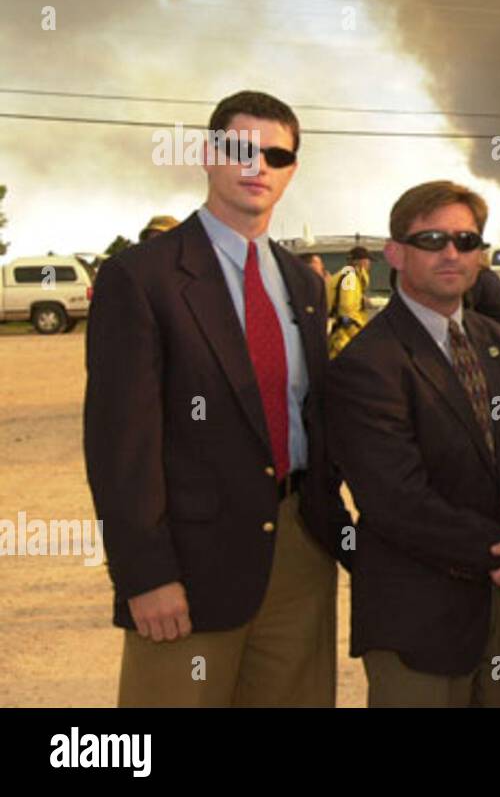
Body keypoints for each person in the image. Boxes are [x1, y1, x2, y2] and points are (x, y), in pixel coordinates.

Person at [83, 90, 352, 707]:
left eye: (277, 155)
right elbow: (120, 443)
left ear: (292, 172)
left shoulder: (304, 284)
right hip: (189, 559)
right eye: (240, 149)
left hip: (298, 552)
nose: (258, 166)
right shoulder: (142, 278)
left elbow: (315, 420)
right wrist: (144, 575)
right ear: (208, 155)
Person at [326, 181, 500, 707]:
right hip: (419, 619)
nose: (451, 252)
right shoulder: (368, 364)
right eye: (431, 239)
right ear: (396, 253)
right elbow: (396, 499)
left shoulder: (496, 342)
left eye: (465, 239)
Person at [327, 245, 372, 358]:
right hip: (343, 338)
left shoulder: (344, 275)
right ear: (362, 262)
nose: (369, 264)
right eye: (368, 260)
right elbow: (346, 313)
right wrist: (359, 336)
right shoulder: (351, 278)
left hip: (339, 335)